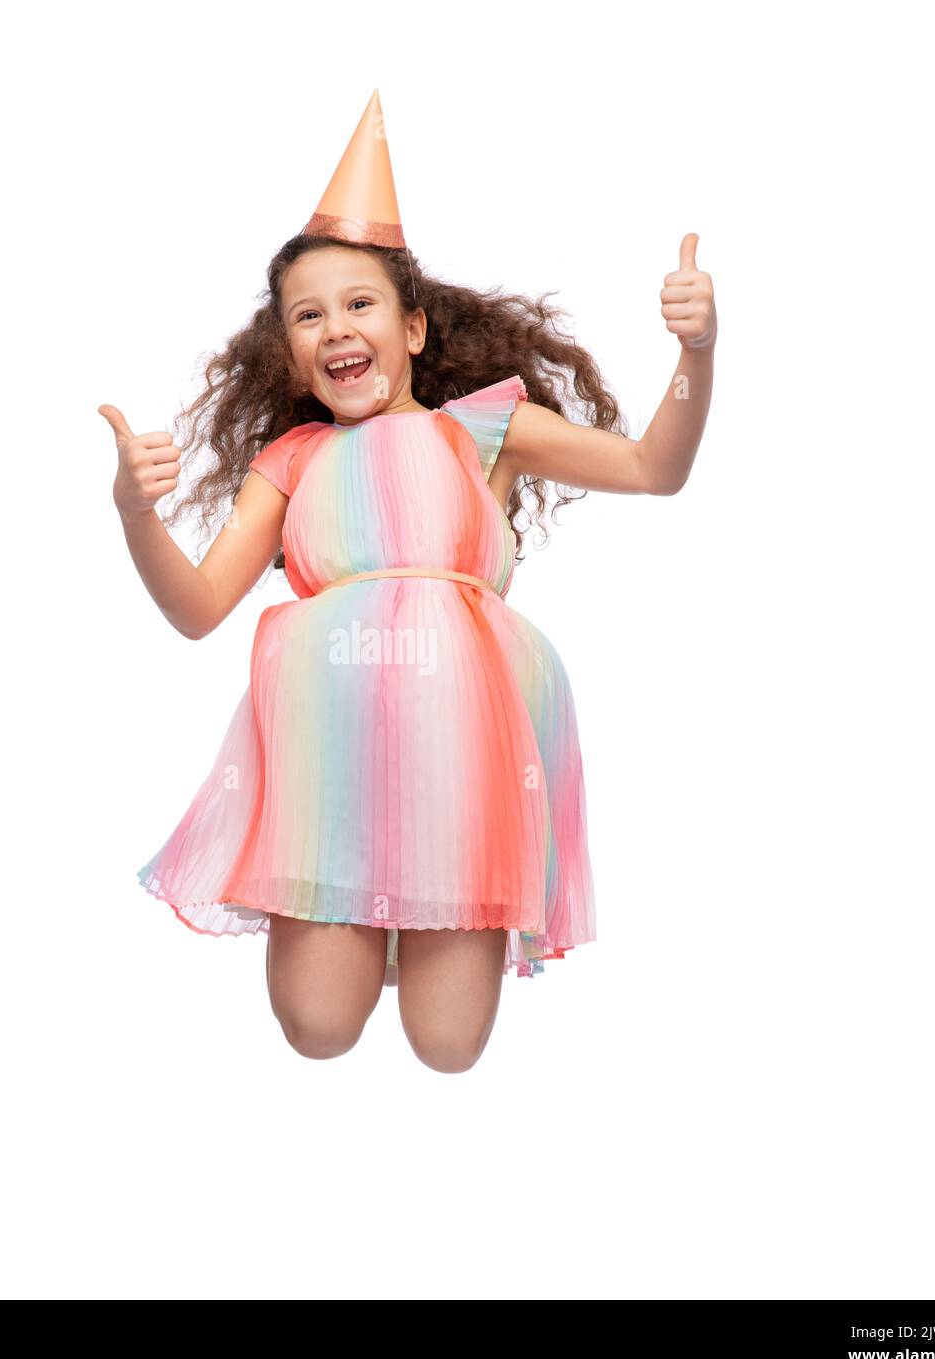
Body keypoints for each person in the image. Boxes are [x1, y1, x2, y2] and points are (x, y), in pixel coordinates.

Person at [99, 91, 716, 1072]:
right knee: (318, 1029)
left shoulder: (483, 429)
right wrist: (135, 514)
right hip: (325, 769)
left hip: (466, 766)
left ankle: (419, 898)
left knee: (446, 1045)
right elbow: (196, 607)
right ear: (292, 352)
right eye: (309, 315)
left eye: (359, 304)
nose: (336, 328)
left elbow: (653, 468)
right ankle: (367, 900)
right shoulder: (291, 461)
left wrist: (694, 354)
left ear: (414, 328)